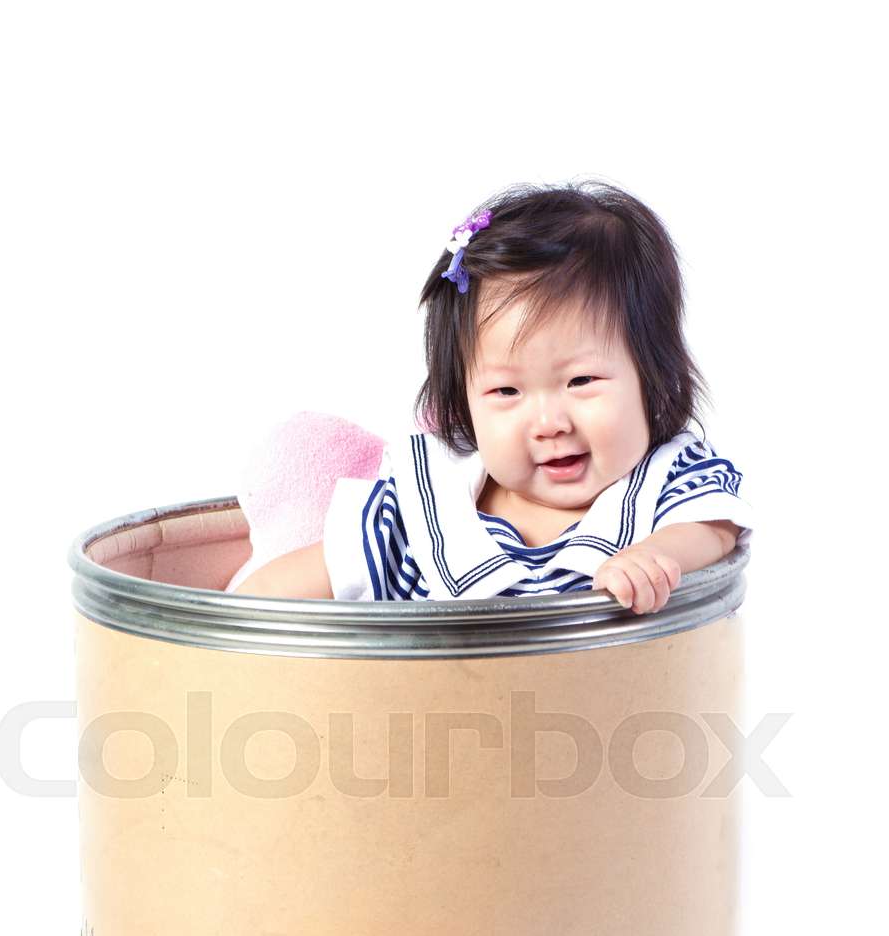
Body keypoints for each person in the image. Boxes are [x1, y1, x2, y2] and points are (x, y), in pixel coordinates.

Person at [234, 180, 753, 612]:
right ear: (464, 403)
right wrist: (230, 623)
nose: (550, 422)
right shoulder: (429, 510)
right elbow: (285, 590)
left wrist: (657, 556)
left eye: (581, 382)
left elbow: (714, 526)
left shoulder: (660, 482)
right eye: (506, 390)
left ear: (652, 376)